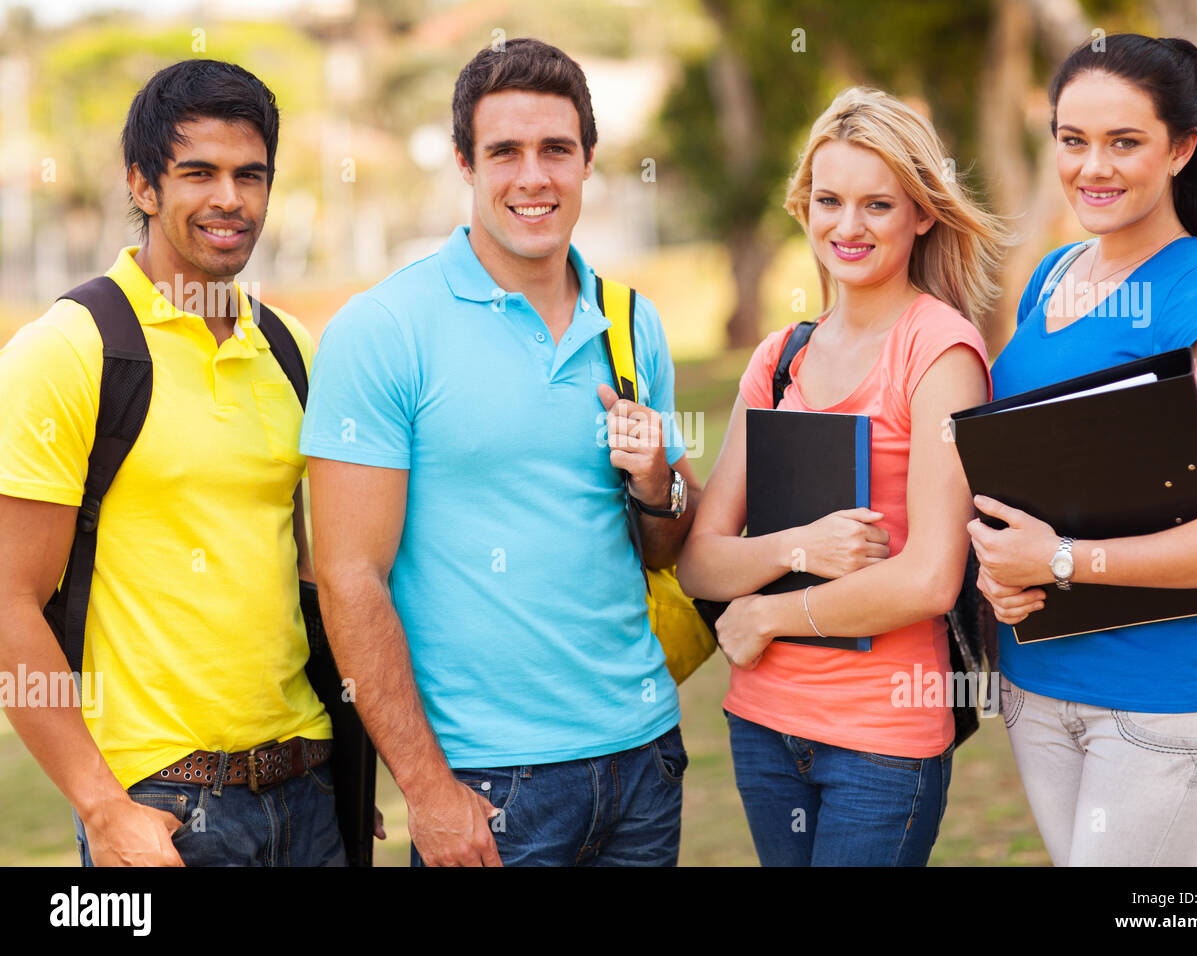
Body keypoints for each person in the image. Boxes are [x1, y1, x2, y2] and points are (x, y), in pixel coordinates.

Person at [300, 38, 700, 867]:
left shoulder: (633, 324)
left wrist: (658, 483)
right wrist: (426, 788)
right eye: (504, 152)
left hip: (644, 755)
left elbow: (662, 548)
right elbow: (348, 579)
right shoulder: (383, 330)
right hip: (488, 781)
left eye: (556, 149)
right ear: (464, 163)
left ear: (588, 160)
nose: (533, 177)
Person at [0, 60, 344, 866]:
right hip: (162, 810)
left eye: (249, 175)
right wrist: (101, 806)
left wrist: (350, 772)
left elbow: (323, 573)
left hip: (309, 789)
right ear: (143, 186)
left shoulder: (292, 348)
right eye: (199, 173)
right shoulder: (69, 351)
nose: (230, 198)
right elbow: (10, 602)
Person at [969, 34, 1197, 866]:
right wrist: (1003, 569)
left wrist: (1064, 560)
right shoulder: (1053, 275)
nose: (1092, 168)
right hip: (1037, 689)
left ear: (1182, 148)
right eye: (1072, 140)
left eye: (1124, 142)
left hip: (1159, 707)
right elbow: (1039, 472)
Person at [675, 87, 1008, 866]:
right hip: (762, 726)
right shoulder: (779, 357)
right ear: (804, 205)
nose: (847, 227)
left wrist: (765, 617)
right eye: (829, 200)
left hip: (882, 740)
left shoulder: (939, 353)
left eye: (877, 205)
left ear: (922, 212)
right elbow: (700, 559)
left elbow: (929, 579)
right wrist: (799, 547)